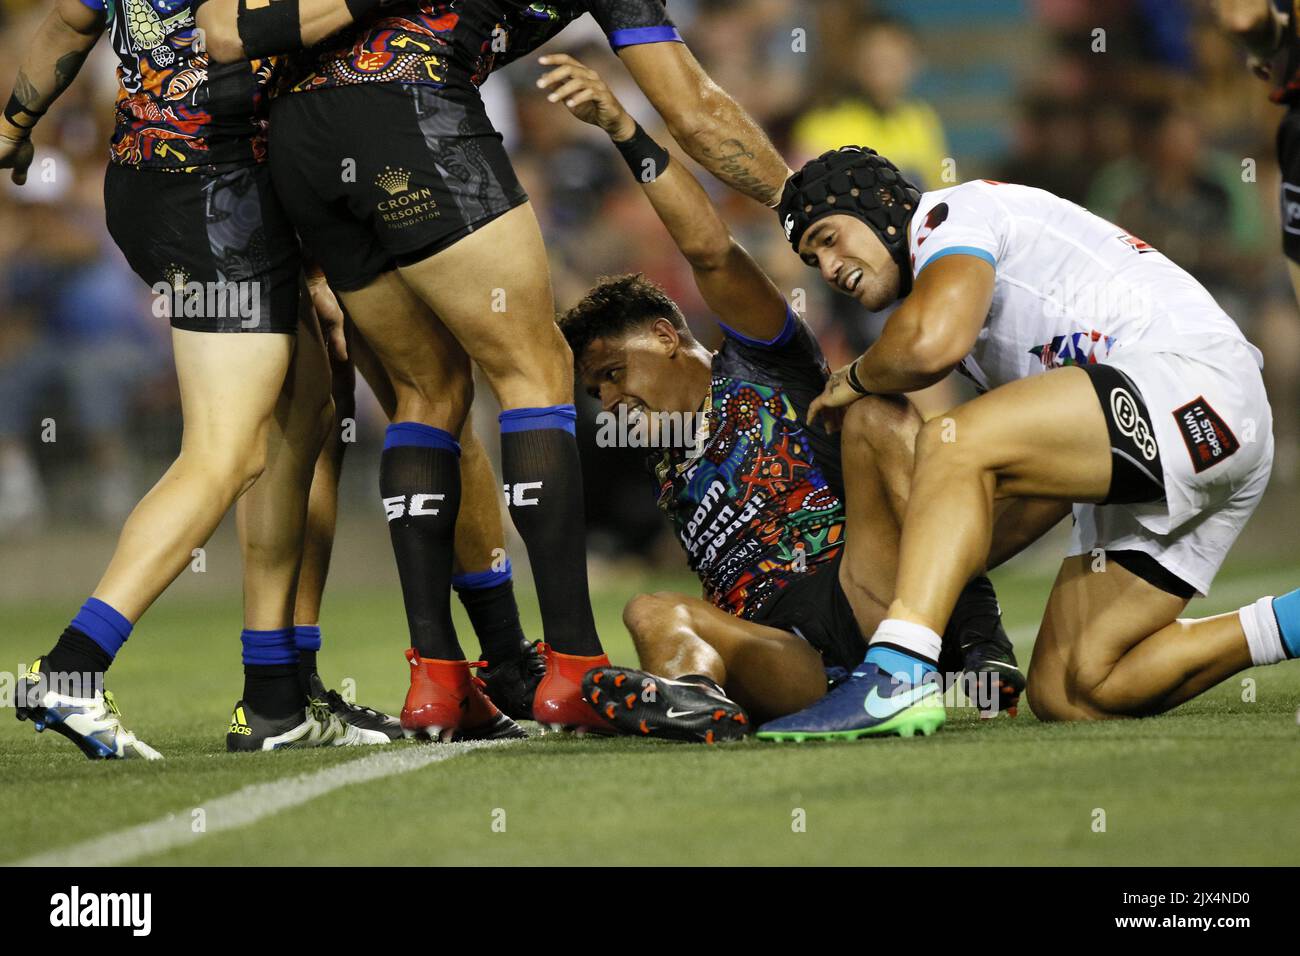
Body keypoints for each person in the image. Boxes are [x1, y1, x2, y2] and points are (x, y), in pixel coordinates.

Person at [196, 0, 794, 737]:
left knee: (427, 392)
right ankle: (574, 666)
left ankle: (439, 680)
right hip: (410, 113)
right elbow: (695, 110)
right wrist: (797, 200)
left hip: (301, 134)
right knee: (535, 368)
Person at [546, 59, 1022, 743]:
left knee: (874, 411)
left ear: (664, 335)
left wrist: (623, 127)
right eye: (597, 391)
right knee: (652, 611)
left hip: (868, 595)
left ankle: (978, 636)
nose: (610, 400)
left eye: (615, 373)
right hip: (782, 657)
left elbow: (709, 250)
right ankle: (693, 698)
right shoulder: (653, 449)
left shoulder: (764, 362)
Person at [760, 145, 1286, 741]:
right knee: (1075, 688)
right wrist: (926, 563)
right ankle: (1290, 622)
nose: (828, 268)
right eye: (813, 260)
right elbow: (1025, 503)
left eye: (829, 238)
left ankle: (897, 677)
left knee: (951, 438)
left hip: (1192, 384)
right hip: (1182, 441)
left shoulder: (950, 214)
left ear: (881, 203)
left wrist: (849, 381)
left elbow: (932, 343)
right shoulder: (983, 324)